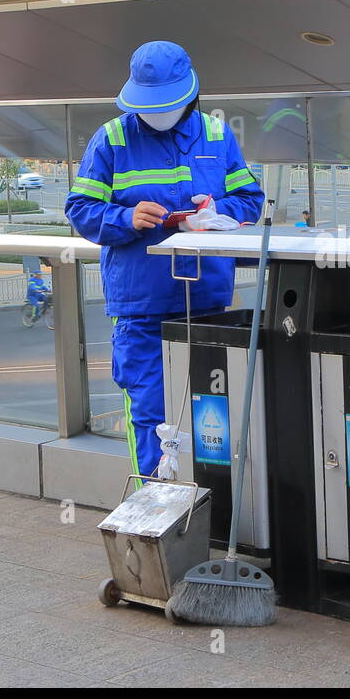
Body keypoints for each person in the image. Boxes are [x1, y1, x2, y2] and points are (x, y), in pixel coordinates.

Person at [65, 42, 264, 478]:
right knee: (152, 412)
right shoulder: (112, 139)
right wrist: (126, 217)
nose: (155, 114)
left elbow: (250, 199)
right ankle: (156, 520)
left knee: (212, 415)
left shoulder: (216, 134)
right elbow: (80, 208)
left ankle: (210, 515)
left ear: (189, 95)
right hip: (141, 305)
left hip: (206, 300)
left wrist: (218, 214)